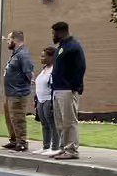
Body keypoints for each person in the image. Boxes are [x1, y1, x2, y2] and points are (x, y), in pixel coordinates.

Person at [50, 22, 86, 160]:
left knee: (69, 122)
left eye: (53, 33)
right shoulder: (62, 47)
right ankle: (63, 148)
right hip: (58, 89)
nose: (52, 36)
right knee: (60, 123)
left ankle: (72, 150)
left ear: (60, 32)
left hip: (68, 90)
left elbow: (80, 68)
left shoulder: (73, 47)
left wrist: (74, 87)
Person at [2, 31, 35, 152]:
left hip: (18, 93)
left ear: (15, 40)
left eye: (8, 39)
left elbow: (29, 74)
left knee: (18, 118)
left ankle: (22, 142)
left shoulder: (23, 54)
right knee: (10, 118)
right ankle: (14, 140)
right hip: (10, 93)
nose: (7, 42)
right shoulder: (15, 54)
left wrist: (25, 87)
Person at [34, 46, 60, 155]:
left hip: (49, 99)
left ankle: (55, 147)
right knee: (44, 124)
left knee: (52, 124)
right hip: (40, 99)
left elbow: (54, 86)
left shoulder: (54, 70)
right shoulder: (44, 69)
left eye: (43, 56)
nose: (41, 58)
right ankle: (45, 146)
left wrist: (53, 103)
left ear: (51, 57)